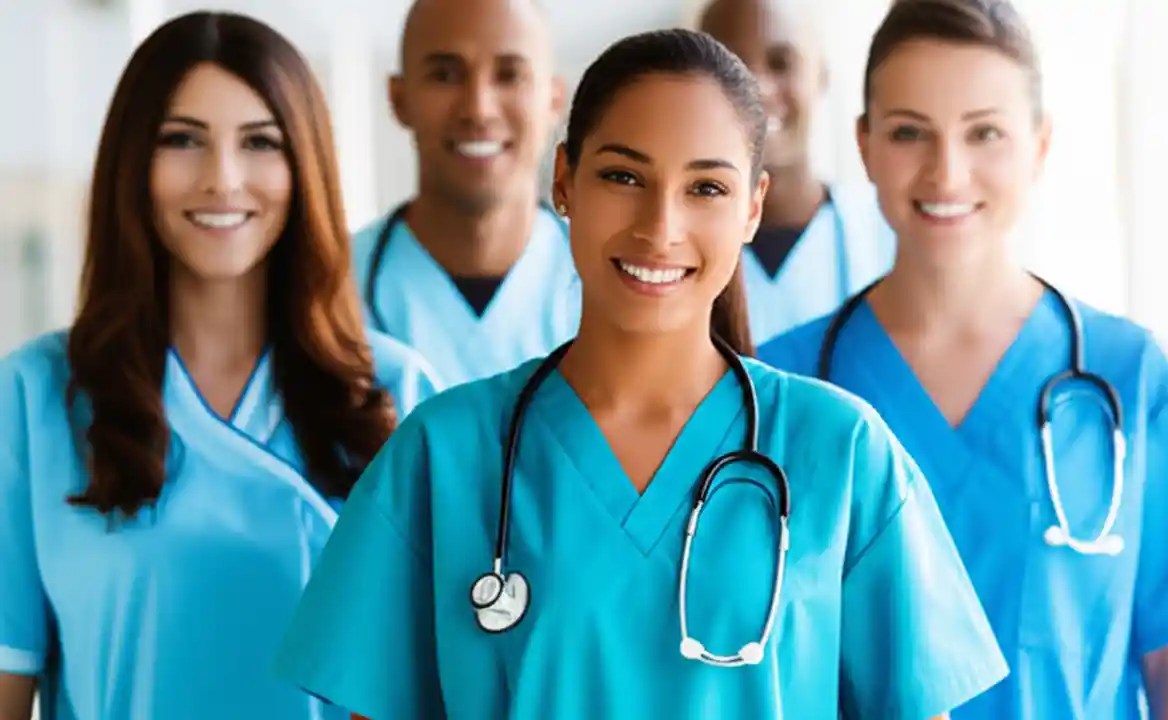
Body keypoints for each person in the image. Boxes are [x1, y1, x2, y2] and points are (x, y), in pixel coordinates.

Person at [273, 28, 1008, 720]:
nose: (660, 226)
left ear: (752, 207)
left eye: (706, 189)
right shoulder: (445, 454)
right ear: (564, 181)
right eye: (623, 176)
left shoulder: (843, 452)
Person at [759, 1, 1168, 718]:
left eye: (985, 133)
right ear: (865, 144)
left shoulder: (1133, 380)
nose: (947, 171)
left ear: (1040, 144)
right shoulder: (781, 389)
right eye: (910, 132)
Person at [0, 12, 438, 720]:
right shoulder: (34, 399)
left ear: (305, 165)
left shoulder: (397, 394)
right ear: (131, 164)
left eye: (260, 142)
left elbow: (434, 684)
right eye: (183, 140)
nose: (222, 179)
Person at [355, 0, 577, 388]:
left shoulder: (612, 287)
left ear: (554, 99)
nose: (478, 108)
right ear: (399, 98)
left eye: (510, 75)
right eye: (444, 74)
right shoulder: (327, 287)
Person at [697, 0, 895, 344]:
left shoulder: (889, 235)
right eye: (732, 68)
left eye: (781, 63)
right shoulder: (667, 244)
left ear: (820, 76)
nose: (758, 89)